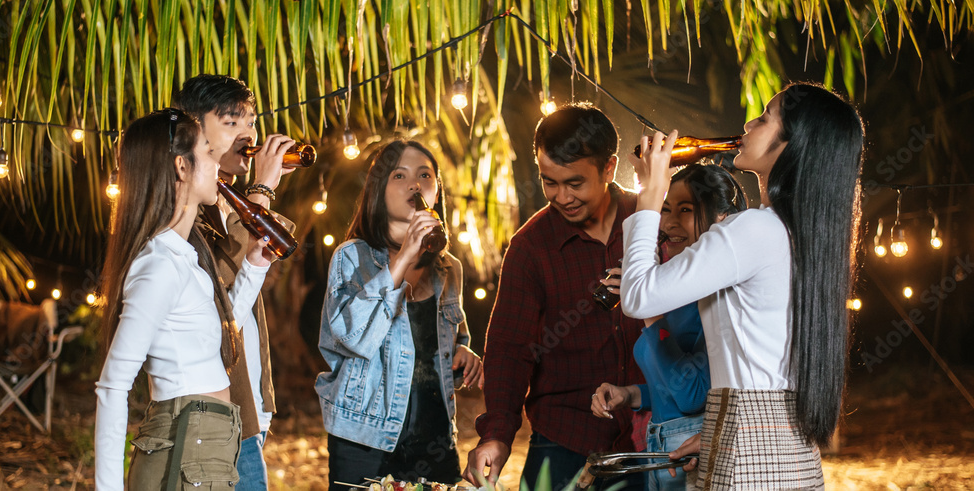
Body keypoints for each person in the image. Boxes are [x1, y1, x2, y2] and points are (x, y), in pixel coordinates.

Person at [621, 83, 864, 489]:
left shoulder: (753, 229)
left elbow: (638, 296)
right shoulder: (808, 236)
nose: (749, 123)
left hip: (747, 469)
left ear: (791, 145)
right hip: (789, 455)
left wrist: (650, 195)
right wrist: (718, 434)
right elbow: (767, 370)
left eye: (765, 117)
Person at [464, 103, 648, 490]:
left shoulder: (651, 221)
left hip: (652, 439)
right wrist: (497, 434)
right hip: (564, 439)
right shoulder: (531, 247)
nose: (561, 197)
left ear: (609, 168)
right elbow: (510, 348)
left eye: (574, 183)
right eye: (550, 182)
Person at [94, 109, 275, 489]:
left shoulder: (186, 256)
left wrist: (255, 266)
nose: (217, 165)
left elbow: (221, 332)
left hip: (207, 440)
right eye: (208, 153)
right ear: (181, 166)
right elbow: (113, 385)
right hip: (185, 445)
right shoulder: (159, 264)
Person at [316, 140, 484, 490]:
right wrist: (403, 257)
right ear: (379, 190)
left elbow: (447, 339)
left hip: (435, 436)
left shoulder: (448, 268)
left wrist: (463, 354)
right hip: (366, 439)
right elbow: (350, 338)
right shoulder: (352, 258)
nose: (414, 184)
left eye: (425, 175)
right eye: (399, 175)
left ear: (436, 192)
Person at [591, 164, 748, 490]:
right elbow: (670, 387)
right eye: (664, 210)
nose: (670, 222)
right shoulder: (677, 291)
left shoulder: (720, 297)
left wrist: (650, 308)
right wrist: (631, 395)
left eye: (686, 210)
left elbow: (692, 395)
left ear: (721, 218)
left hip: (694, 452)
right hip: (660, 451)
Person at [174, 74, 296, 491]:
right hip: (212, 415)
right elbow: (222, 303)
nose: (249, 135)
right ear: (192, 131)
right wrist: (262, 190)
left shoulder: (227, 202)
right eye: (231, 123)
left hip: (247, 411)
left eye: (252, 122)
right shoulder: (183, 209)